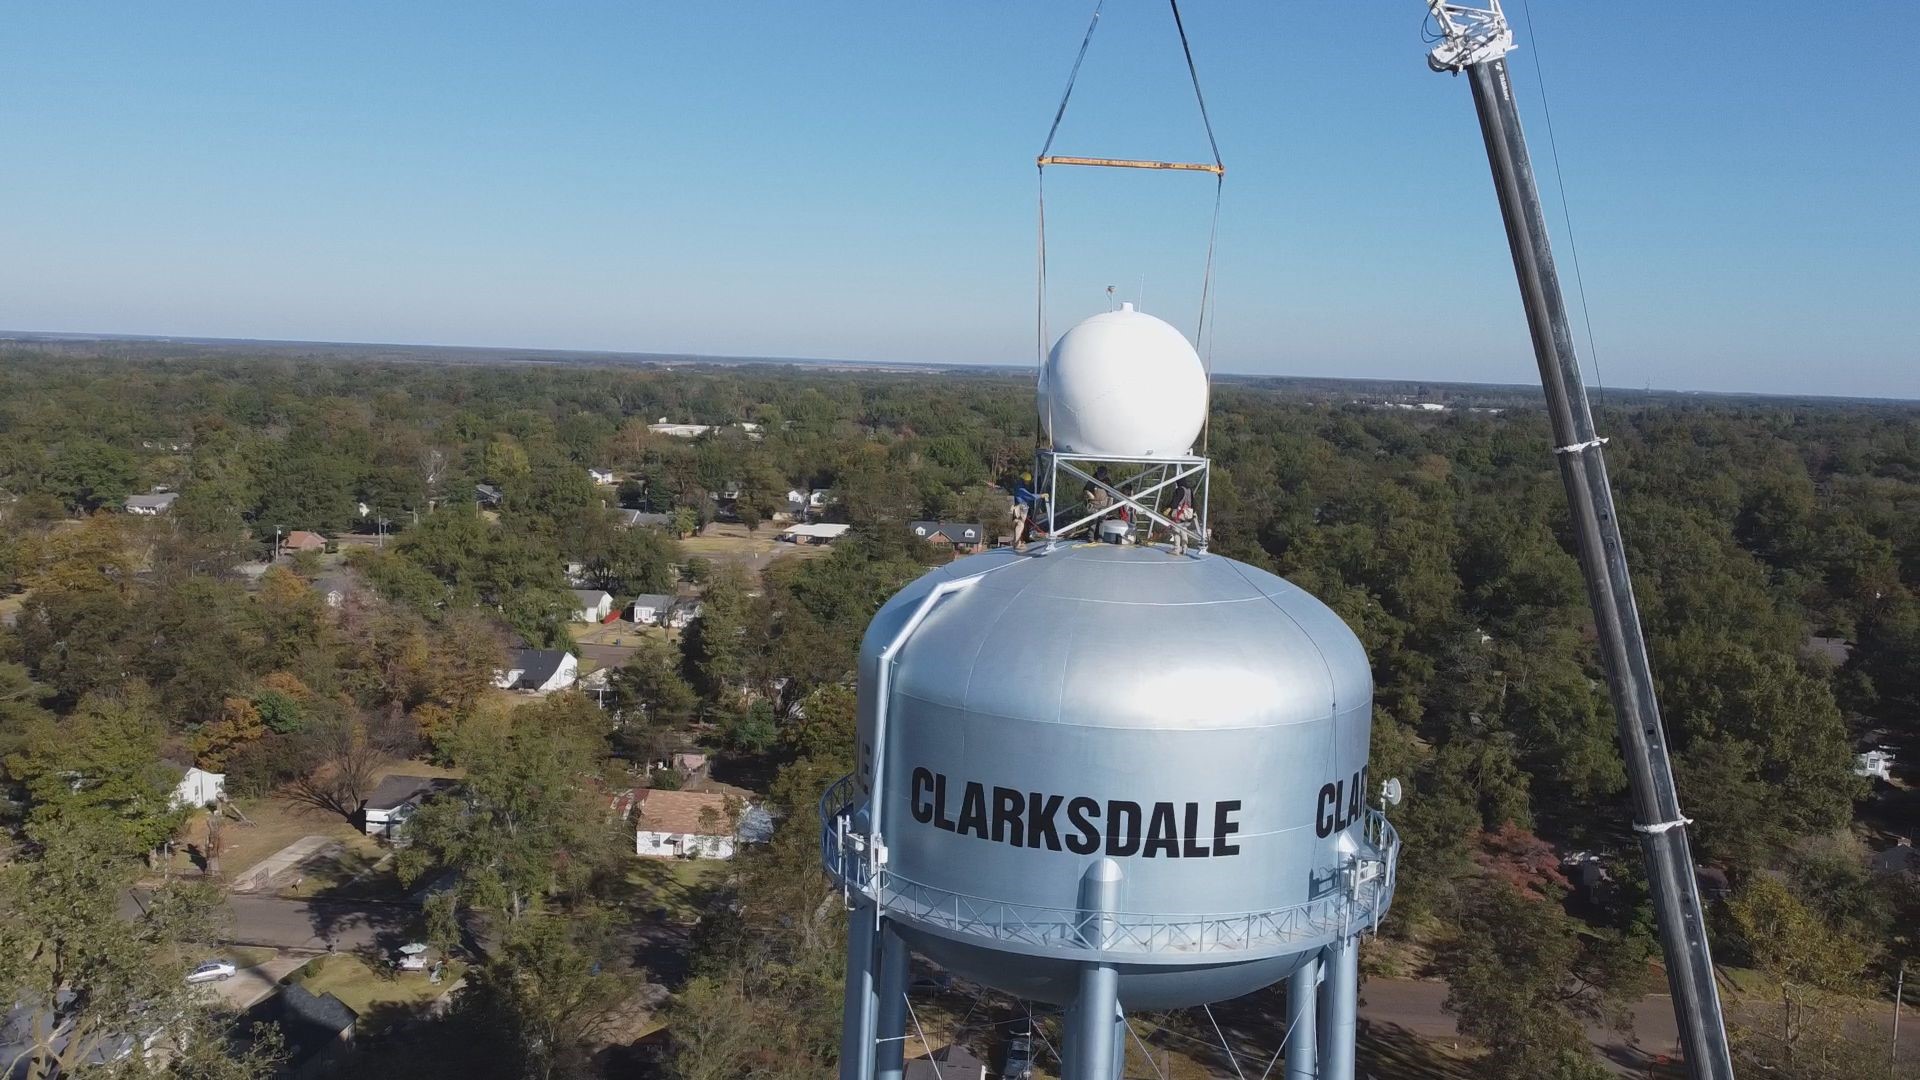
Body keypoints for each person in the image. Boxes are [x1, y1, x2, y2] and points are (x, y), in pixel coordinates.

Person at [1166, 476, 1195, 554]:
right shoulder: (1189, 490)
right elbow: (1193, 502)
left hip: (1179, 513)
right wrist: (1193, 512)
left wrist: (1169, 508)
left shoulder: (1179, 490)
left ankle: (1176, 549)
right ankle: (1184, 548)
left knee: (1176, 531)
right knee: (1184, 530)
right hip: (1187, 513)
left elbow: (1175, 502)